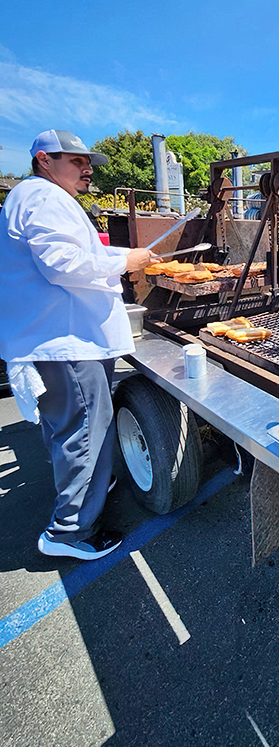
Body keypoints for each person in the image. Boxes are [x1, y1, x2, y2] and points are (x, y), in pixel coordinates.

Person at [0, 130, 160, 560]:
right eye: (76, 161)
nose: (87, 169)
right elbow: (62, 264)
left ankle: (88, 484)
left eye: (88, 162)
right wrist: (125, 262)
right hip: (66, 341)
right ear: (44, 160)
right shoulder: (44, 198)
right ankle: (69, 531)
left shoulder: (36, 196)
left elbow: (67, 254)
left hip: (61, 338)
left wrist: (128, 256)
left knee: (70, 429)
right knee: (85, 431)